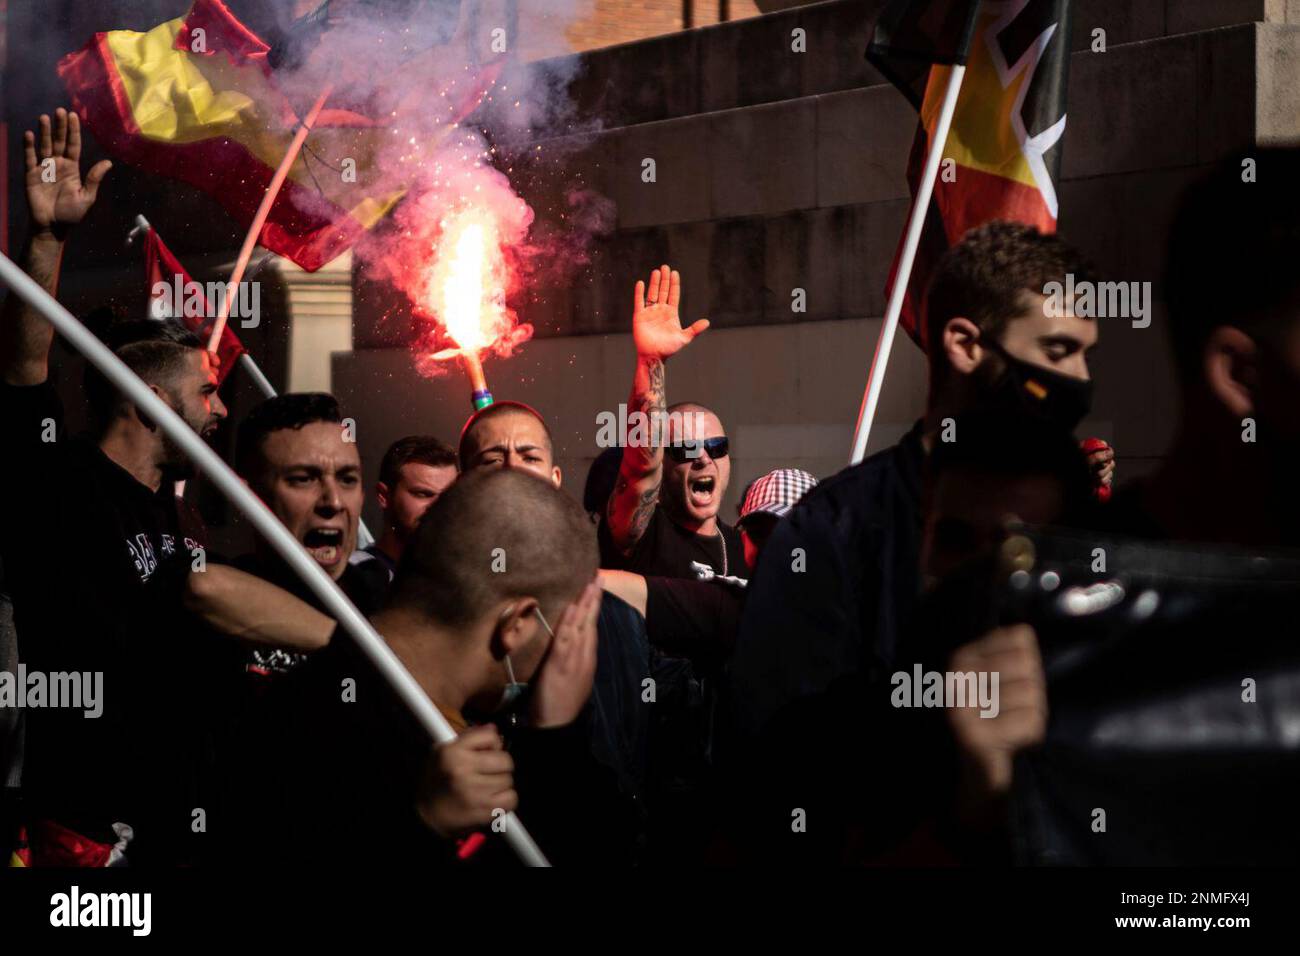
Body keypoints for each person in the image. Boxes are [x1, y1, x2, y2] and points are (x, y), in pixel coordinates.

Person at [726, 221, 1101, 862]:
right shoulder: (830, 534)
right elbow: (774, 780)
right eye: (1059, 351)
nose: (1080, 378)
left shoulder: (1091, 530)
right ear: (963, 344)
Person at [0, 108, 230, 866]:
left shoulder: (185, 515)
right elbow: (23, 375)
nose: (222, 410)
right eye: (207, 393)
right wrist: (44, 241)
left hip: (176, 817)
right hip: (89, 833)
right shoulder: (61, 482)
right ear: (151, 400)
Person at [239, 469, 627, 866]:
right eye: (564, 632)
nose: (562, 653)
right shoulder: (332, 733)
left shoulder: (317, 691)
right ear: (518, 624)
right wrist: (556, 742)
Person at [600, 468, 818, 675]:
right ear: (744, 540)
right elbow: (629, 590)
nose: (771, 546)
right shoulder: (732, 608)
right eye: (758, 534)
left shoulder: (845, 612)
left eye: (789, 531)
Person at [230, 392, 389, 677]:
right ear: (248, 495)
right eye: (303, 479)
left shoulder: (385, 601)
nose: (334, 502)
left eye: (347, 479)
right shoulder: (198, 597)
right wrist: (352, 646)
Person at [600, 265, 743, 578]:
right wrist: (650, 361)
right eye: (686, 448)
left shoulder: (743, 548)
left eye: (717, 447)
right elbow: (640, 467)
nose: (704, 458)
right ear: (662, 463)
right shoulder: (645, 536)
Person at [354, 434, 458, 579]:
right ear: (383, 496)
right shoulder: (351, 577)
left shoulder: (459, 582)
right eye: (423, 494)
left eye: (447, 496)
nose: (439, 507)